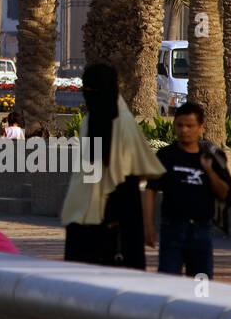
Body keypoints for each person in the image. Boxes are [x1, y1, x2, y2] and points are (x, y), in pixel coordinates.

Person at [60, 62, 164, 269]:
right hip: (85, 215)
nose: (88, 95)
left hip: (116, 216)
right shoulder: (90, 120)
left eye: (91, 90)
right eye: (85, 90)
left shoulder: (123, 122)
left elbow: (134, 170)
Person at [143, 102, 231, 278]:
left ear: (200, 128)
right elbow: (151, 190)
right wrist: (148, 226)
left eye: (189, 126)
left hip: (201, 230)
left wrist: (209, 171)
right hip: (172, 229)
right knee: (169, 283)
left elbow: (224, 193)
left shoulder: (212, 157)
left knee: (201, 286)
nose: (184, 130)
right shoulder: (165, 155)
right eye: (180, 125)